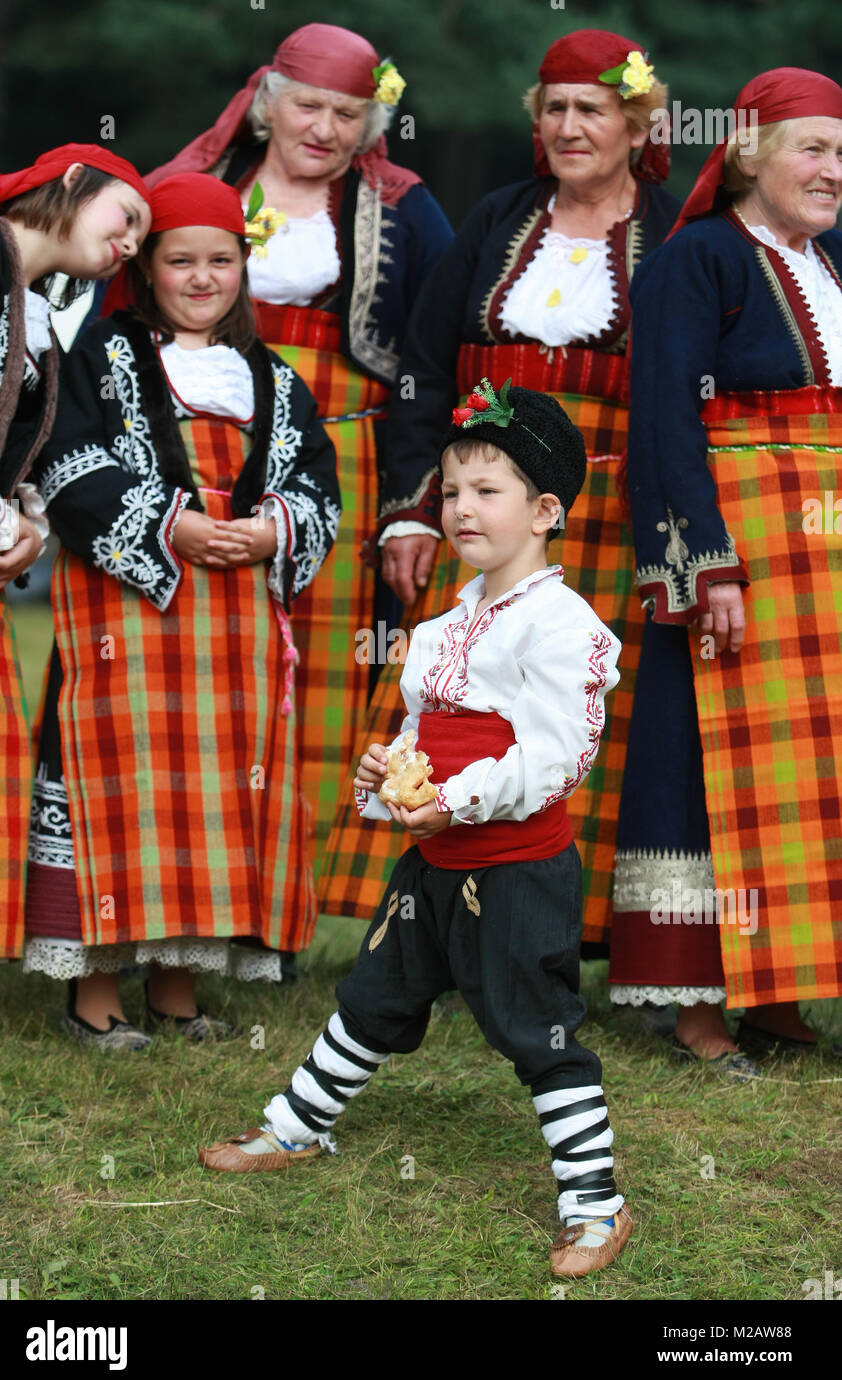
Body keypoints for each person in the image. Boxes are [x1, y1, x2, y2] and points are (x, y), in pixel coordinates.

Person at [199, 380, 632, 1279]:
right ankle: (295, 1128)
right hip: (431, 863)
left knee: (537, 1030)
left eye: (488, 490)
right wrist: (384, 776)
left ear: (546, 510)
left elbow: (557, 758)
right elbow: (416, 735)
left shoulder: (564, 627)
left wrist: (460, 799)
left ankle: (596, 1204)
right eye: (450, 491)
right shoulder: (439, 629)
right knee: (372, 995)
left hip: (514, 869)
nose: (461, 507)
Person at [318, 29, 680, 949]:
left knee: (580, 711)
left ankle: (573, 931)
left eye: (591, 109)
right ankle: (435, 922)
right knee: (464, 696)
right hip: (486, 503)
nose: (569, 126)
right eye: (553, 108)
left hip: (611, 514)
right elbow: (425, 370)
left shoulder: (675, 235)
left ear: (636, 123)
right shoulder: (494, 221)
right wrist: (415, 508)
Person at [22, 173, 339, 1049]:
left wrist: (273, 530)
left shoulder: (272, 377)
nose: (202, 278)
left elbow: (318, 481)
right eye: (180, 260)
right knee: (123, 784)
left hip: (234, 619)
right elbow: (68, 461)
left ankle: (176, 992)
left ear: (245, 265)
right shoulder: (98, 354)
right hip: (129, 613)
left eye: (222, 261)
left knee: (212, 789)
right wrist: (174, 525)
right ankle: (94, 996)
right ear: (146, 268)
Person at [143, 23, 453, 873]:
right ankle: (190, 875)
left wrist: (412, 505)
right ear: (269, 103)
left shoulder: (402, 207)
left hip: (338, 463)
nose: (325, 129)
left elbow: (437, 355)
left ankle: (283, 893)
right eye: (309, 105)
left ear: (370, 123)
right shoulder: (195, 187)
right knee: (200, 664)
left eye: (348, 114)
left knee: (313, 678)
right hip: (192, 459)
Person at [610, 67, 842, 1065]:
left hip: (822, 569)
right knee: (705, 771)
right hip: (738, 553)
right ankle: (693, 1008)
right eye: (812, 147)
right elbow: (662, 416)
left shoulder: (832, 264)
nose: (831, 171)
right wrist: (699, 567)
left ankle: (779, 996)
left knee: (807, 783)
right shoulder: (695, 259)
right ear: (748, 151)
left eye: (840, 153)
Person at [0, 144, 151, 1044]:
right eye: (125, 217)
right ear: (74, 184)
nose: (129, 243)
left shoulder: (38, 312)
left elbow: (18, 453)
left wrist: (28, 523)